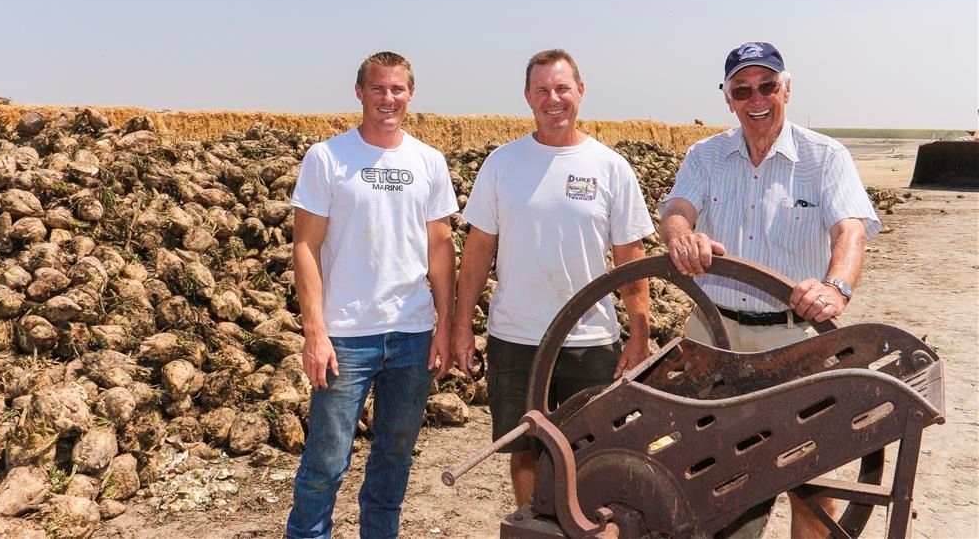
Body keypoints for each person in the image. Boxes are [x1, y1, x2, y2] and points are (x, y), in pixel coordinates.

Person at [659, 41, 880, 539]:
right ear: (728, 98)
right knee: (702, 468)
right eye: (742, 90)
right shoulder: (705, 155)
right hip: (714, 335)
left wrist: (836, 288)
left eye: (767, 85)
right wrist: (681, 236)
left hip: (794, 336)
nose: (756, 98)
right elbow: (676, 211)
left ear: (787, 89)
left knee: (811, 478)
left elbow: (850, 230)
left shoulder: (825, 157)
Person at [452, 48, 656, 509]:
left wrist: (640, 333)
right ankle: (532, 527)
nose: (553, 98)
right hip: (515, 337)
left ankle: (584, 530)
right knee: (524, 450)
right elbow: (479, 250)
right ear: (528, 96)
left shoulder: (610, 167)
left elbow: (630, 256)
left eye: (562, 88)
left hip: (590, 341)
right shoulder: (502, 164)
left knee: (591, 453)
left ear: (580, 92)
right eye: (542, 89)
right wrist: (462, 326)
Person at [286, 51, 457, 539]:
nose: (388, 98)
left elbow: (440, 247)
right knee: (326, 461)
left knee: (395, 457)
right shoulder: (328, 158)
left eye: (397, 89)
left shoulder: (429, 161)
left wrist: (444, 326)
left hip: (412, 334)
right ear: (360, 92)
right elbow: (305, 246)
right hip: (345, 336)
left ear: (411, 94)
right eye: (378, 88)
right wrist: (315, 332)